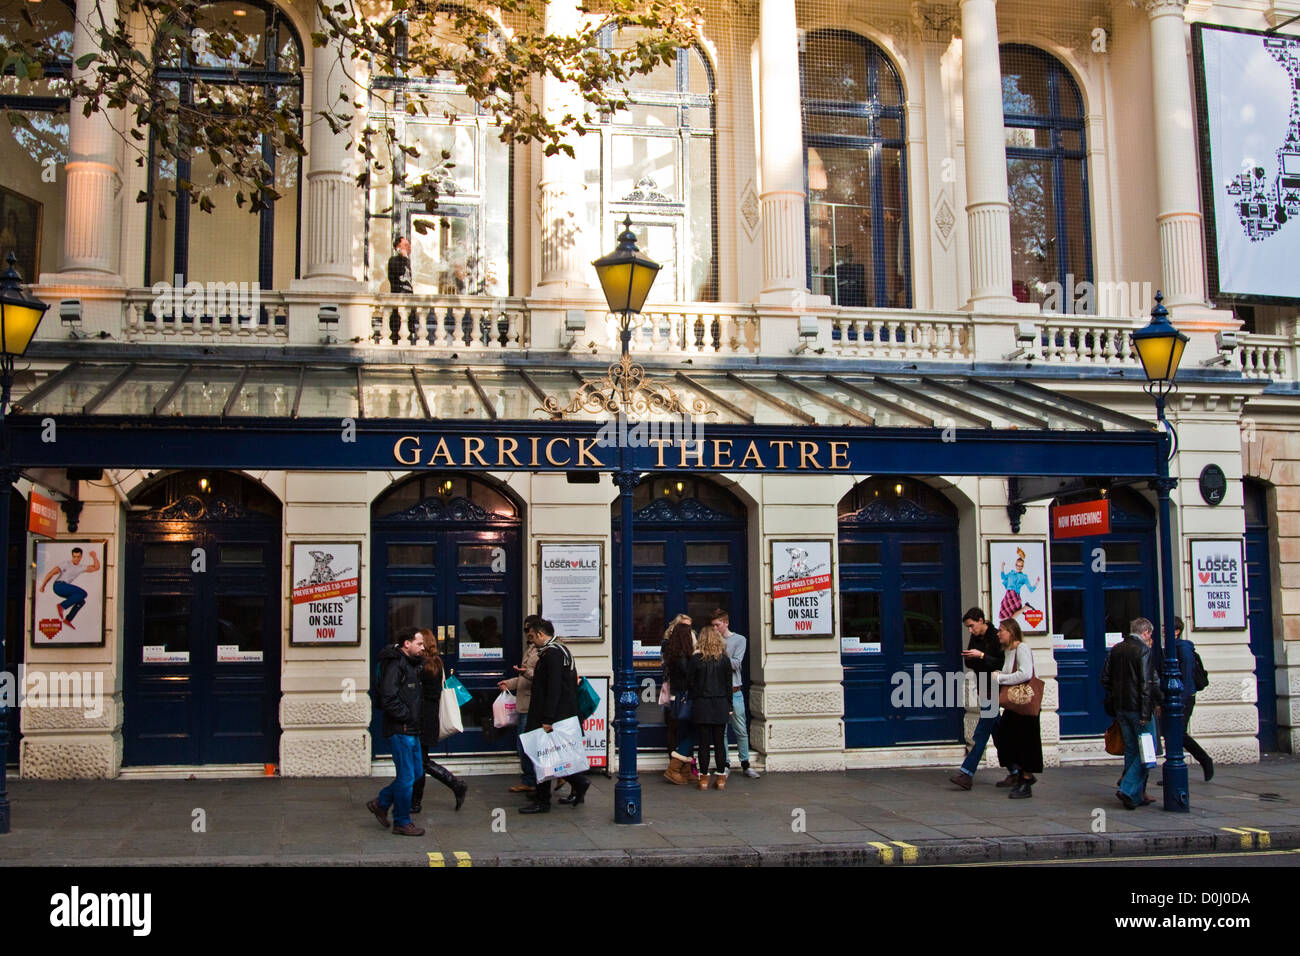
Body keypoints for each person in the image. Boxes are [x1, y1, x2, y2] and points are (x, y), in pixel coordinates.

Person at [519, 619, 590, 813]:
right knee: (551, 756)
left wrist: (547, 719)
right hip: (558, 713)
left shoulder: (552, 654)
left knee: (542, 757)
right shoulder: (559, 651)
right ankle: (574, 784)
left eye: (532, 636)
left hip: (550, 715)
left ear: (541, 634)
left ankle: (546, 799)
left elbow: (553, 688)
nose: (531, 641)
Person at [366, 626, 427, 836]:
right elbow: (388, 698)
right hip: (401, 730)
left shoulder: (410, 664)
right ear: (406, 644)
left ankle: (381, 802)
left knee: (416, 773)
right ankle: (401, 821)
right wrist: (407, 716)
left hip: (411, 729)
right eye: (419, 644)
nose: (423, 647)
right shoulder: (395, 665)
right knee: (407, 777)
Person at [1102, 617, 1162, 810]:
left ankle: (1135, 796)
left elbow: (1105, 679)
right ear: (1145, 633)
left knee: (1131, 750)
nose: (1149, 637)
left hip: (1122, 708)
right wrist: (1146, 712)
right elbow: (1146, 684)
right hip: (1139, 708)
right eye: (1149, 634)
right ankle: (1127, 787)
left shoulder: (1117, 649)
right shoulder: (1143, 651)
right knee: (1148, 750)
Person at [411, 628, 468, 813]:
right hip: (430, 717)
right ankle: (416, 801)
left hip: (422, 718)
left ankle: (455, 784)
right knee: (420, 760)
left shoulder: (422, 665)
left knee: (421, 761)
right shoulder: (436, 662)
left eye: (419, 642)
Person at [949, 606, 1006, 790]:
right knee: (998, 733)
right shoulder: (975, 636)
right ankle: (1016, 771)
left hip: (995, 687)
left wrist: (980, 655)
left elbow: (1000, 663)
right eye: (968, 627)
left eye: (972, 626)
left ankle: (966, 773)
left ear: (981, 621)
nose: (970, 630)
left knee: (981, 733)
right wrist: (976, 658)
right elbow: (969, 661)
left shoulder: (997, 637)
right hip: (983, 686)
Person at [990, 618, 1041, 798]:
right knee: (1005, 737)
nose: (998, 633)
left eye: (1001, 630)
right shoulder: (1009, 651)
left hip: (1024, 703)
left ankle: (1025, 779)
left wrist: (1001, 678)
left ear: (1010, 632)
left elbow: (1025, 673)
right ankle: (1019, 772)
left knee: (1026, 741)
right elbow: (1011, 672)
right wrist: (1000, 674)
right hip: (1014, 703)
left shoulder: (1021, 648)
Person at [712, 608, 759, 778]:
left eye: (718, 625)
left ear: (726, 623)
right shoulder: (713, 640)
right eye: (713, 626)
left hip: (735, 690)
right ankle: (725, 763)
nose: (715, 628)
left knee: (740, 728)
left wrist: (718, 656)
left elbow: (736, 664)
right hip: (718, 691)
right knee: (721, 730)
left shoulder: (739, 640)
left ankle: (745, 763)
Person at [1165, 617, 1214, 782]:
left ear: (1177, 631)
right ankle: (1173, 770)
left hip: (1183, 698)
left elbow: (1186, 676)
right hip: (1175, 697)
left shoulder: (1183, 648)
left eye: (1168, 628)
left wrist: (1181, 699)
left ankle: (1204, 760)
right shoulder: (1172, 648)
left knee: (1177, 733)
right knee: (1173, 733)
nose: (1164, 631)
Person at [499, 614, 542, 794]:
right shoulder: (531, 648)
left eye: (528, 630)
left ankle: (535, 780)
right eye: (525, 630)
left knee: (525, 745)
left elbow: (539, 676)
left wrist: (525, 673)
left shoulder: (542, 650)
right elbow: (525, 675)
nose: (526, 634)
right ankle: (532, 780)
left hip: (532, 704)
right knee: (527, 744)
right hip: (524, 702)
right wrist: (509, 683)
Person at [688, 625, 734, 790]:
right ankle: (721, 777)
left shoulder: (696, 660)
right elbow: (729, 685)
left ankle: (704, 778)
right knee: (720, 742)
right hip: (720, 703)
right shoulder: (725, 660)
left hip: (702, 704)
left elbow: (690, 682)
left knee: (704, 744)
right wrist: (729, 705)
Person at [661, 620, 698, 785]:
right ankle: (674, 768)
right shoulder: (684, 657)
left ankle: (685, 769)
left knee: (683, 732)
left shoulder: (673, 653)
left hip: (677, 697)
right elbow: (689, 677)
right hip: (685, 698)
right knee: (691, 732)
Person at [39, 547, 101, 629]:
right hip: (59, 586)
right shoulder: (65, 564)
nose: (76, 559)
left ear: (81, 556)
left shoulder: (81, 567)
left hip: (65, 588)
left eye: (78, 557)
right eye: (74, 557)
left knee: (81, 601)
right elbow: (51, 573)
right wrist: (43, 586)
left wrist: (94, 557)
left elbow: (96, 568)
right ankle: (62, 606)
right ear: (72, 556)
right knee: (83, 593)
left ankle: (68, 619)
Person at [660, 613, 692, 756]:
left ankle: (676, 762)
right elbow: (686, 672)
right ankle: (679, 764)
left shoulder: (671, 649)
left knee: (673, 727)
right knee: (683, 728)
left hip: (673, 691)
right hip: (680, 692)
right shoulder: (680, 652)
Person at [998, 547, 1041, 623]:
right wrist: (1002, 567)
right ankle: (1025, 607)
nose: (1019, 567)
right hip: (1008, 595)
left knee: (1009, 619)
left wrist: (1037, 582)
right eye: (1018, 565)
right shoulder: (1011, 573)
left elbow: (1031, 589)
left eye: (1021, 566)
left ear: (1023, 567)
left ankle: (1025, 608)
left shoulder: (1024, 577)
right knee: (1003, 616)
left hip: (1014, 596)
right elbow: (1003, 577)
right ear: (1015, 565)